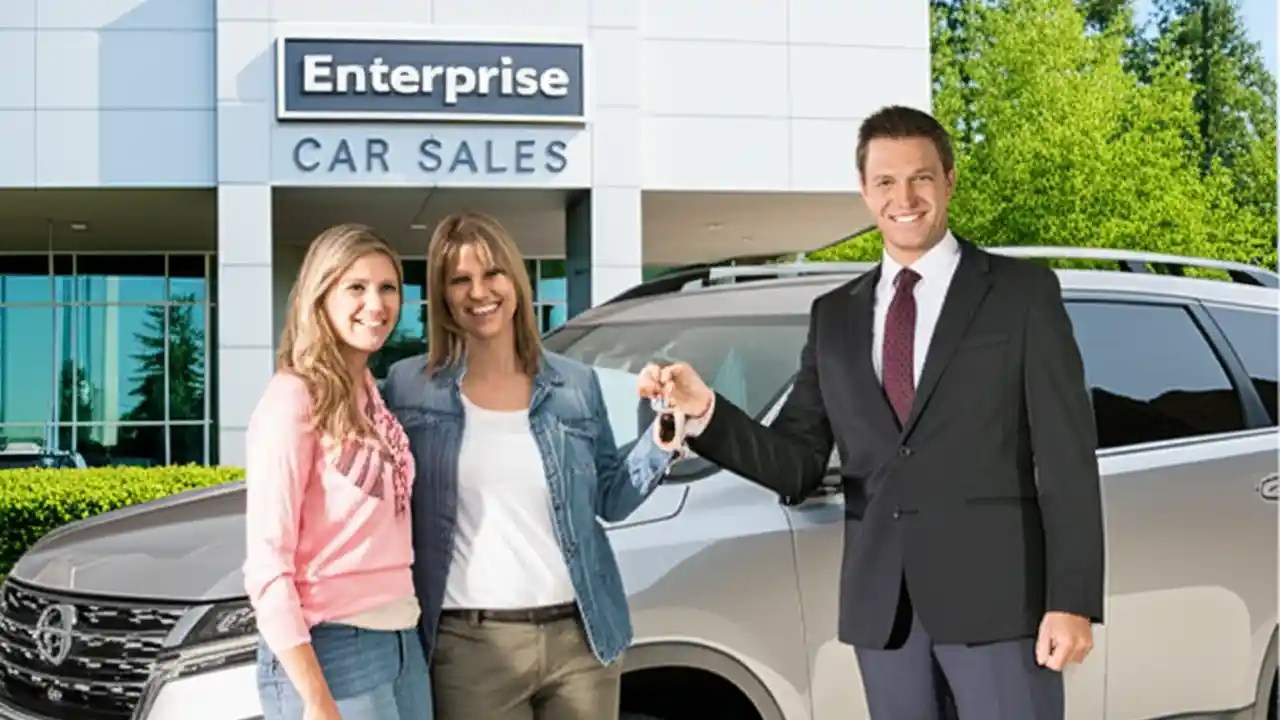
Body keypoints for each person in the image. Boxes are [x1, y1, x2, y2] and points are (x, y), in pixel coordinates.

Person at [639, 105, 1105, 719]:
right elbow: (798, 463)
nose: (903, 197)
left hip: (1001, 609)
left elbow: (1067, 458)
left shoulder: (1021, 294)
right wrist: (706, 412)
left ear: (949, 181)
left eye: (920, 178)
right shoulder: (835, 316)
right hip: (885, 617)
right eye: (885, 181)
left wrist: (1071, 600)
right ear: (864, 190)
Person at [380, 210, 677, 720]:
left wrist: (664, 432)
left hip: (582, 641)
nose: (480, 291)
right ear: (443, 295)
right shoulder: (409, 386)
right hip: (470, 649)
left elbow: (611, 497)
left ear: (515, 279)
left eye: (492, 273)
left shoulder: (574, 385)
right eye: (460, 279)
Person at [243, 223, 432, 720]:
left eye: (388, 287)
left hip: (400, 639)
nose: (376, 303)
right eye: (356, 287)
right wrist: (315, 696)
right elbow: (267, 567)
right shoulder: (291, 400)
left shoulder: (370, 393)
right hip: (331, 646)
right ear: (320, 295)